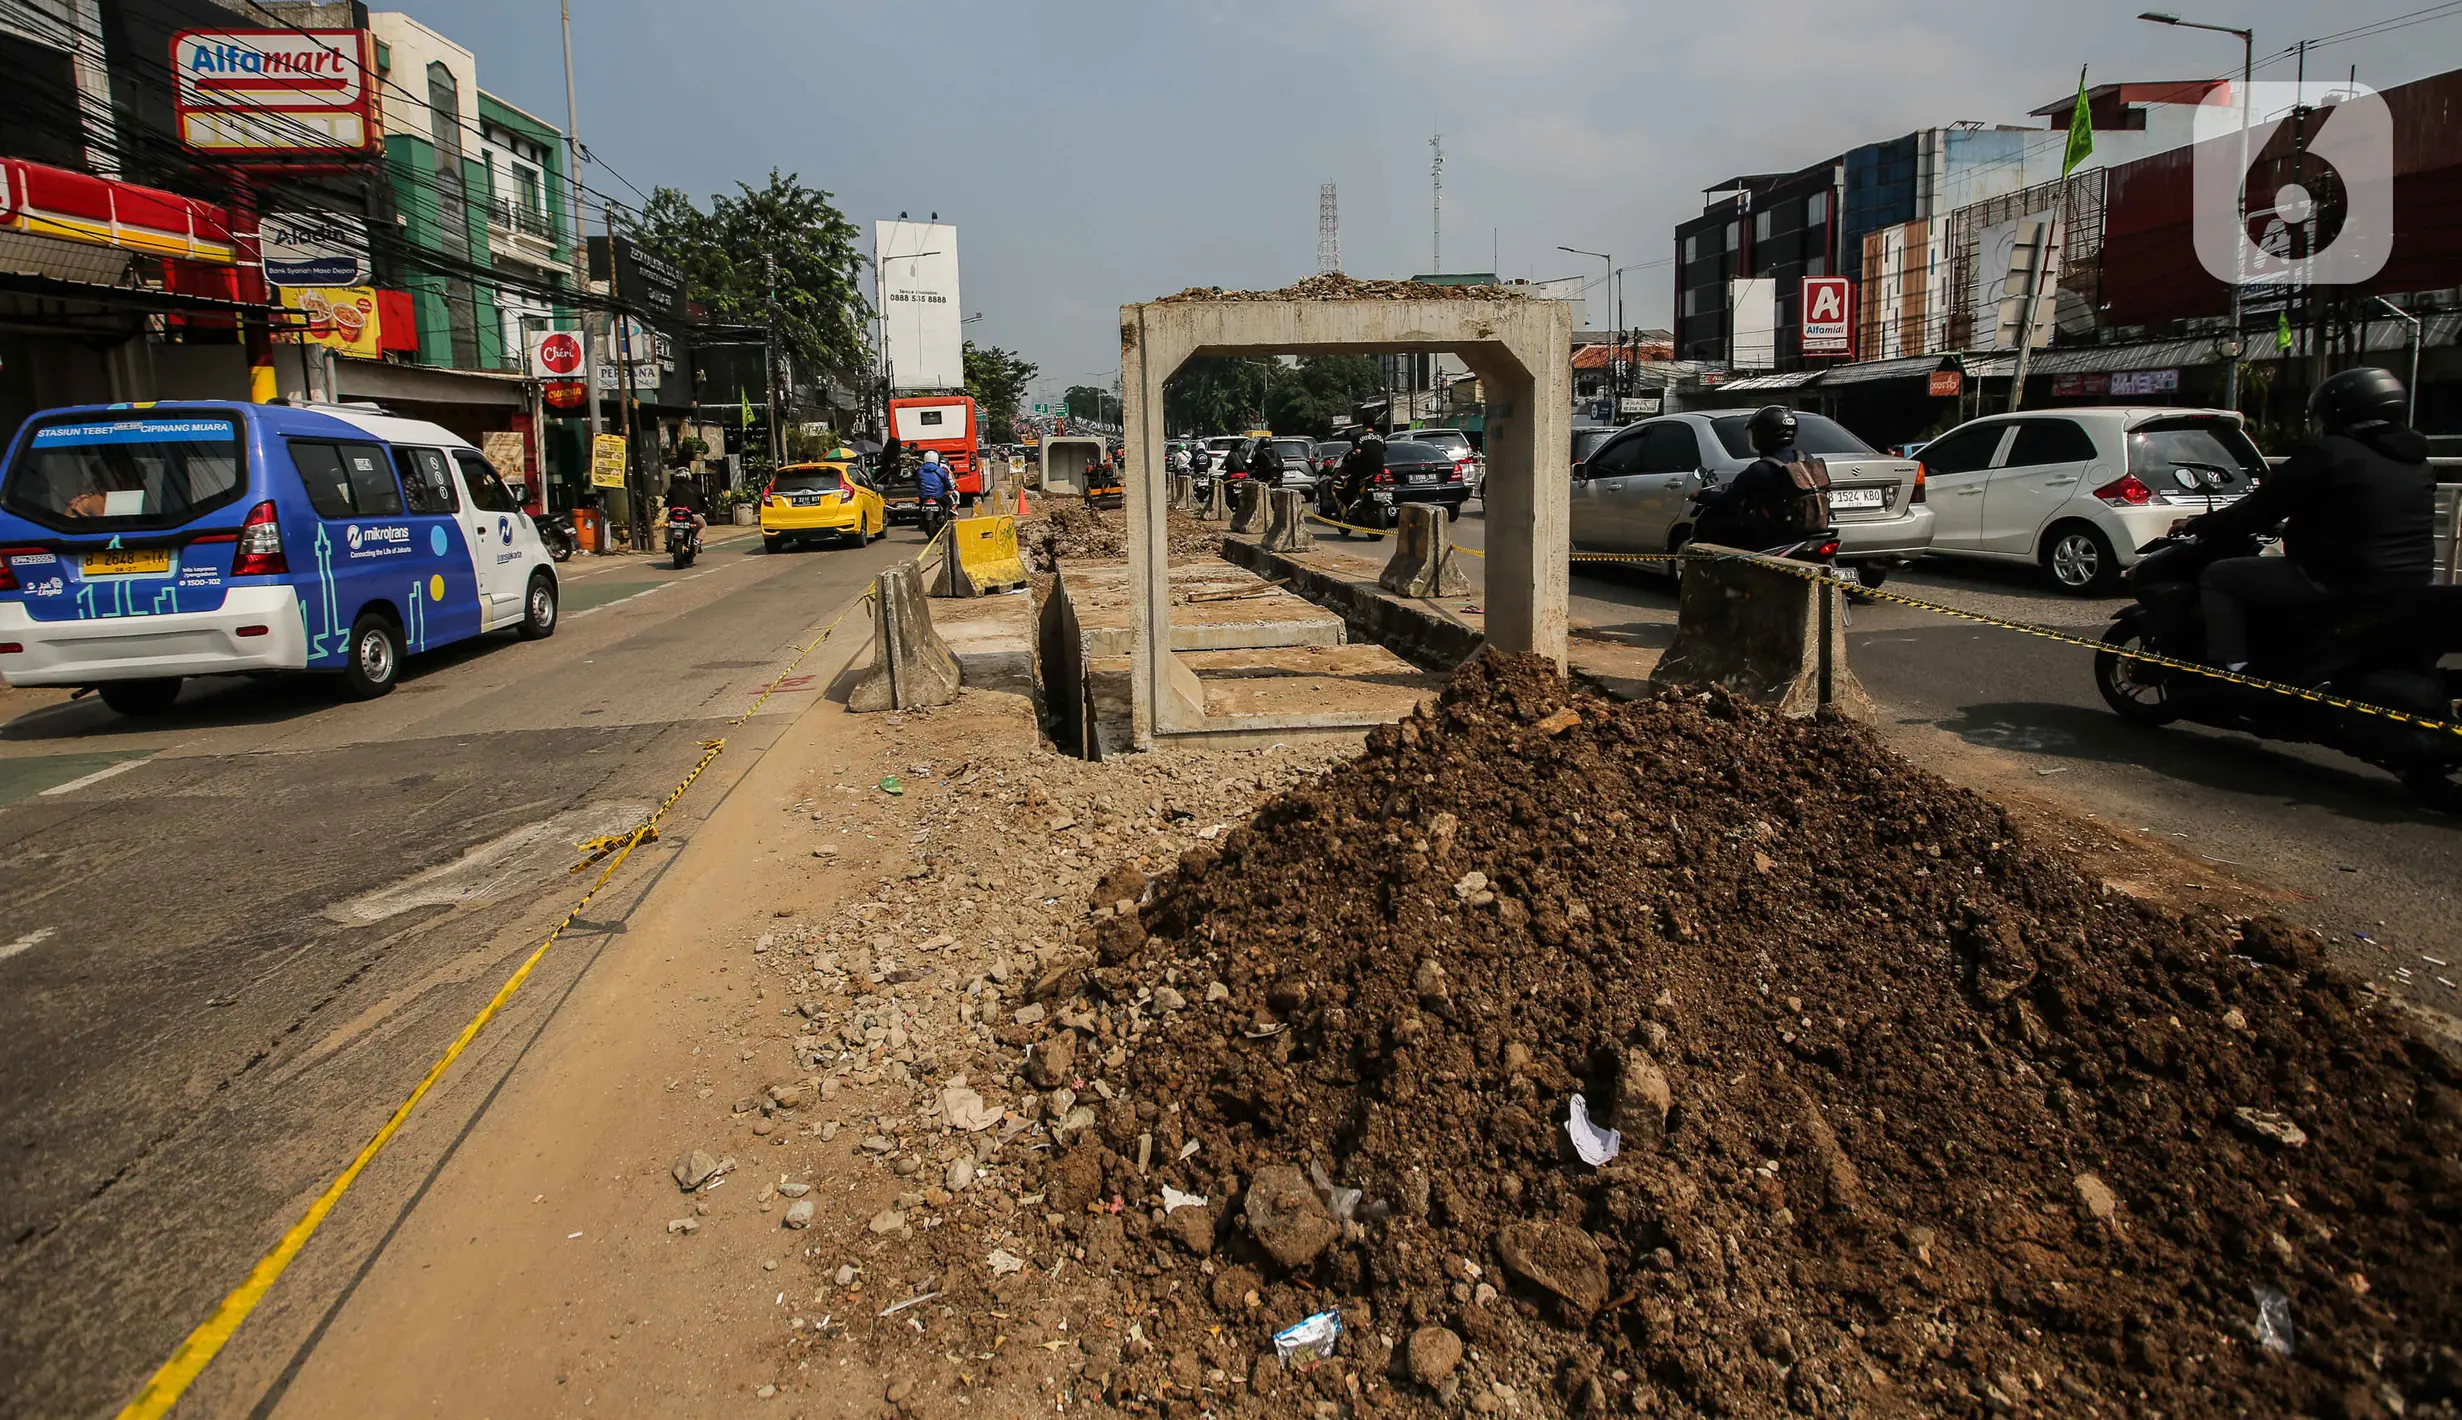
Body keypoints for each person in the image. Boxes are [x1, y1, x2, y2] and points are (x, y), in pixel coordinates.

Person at [2177, 366, 2435, 671]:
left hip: (2337, 580)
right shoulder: (2418, 462)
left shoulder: (2330, 452)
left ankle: (2234, 669)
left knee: (2218, 576)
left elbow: (2257, 510)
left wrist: (2198, 525)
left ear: (2339, 412)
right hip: (2412, 582)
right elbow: (2360, 514)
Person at [1693, 405, 1817, 552]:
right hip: (1808, 530)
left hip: (1772, 537)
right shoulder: (1806, 459)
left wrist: (1702, 495)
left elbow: (1729, 497)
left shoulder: (1760, 469)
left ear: (1763, 434)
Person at [1335, 428, 1384, 514]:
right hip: (1378, 472)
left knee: (1348, 489)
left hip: (1364, 475)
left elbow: (1343, 467)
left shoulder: (1356, 447)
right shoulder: (1380, 437)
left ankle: (1351, 508)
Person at [665, 473, 707, 552]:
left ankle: (668, 542)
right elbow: (703, 501)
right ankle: (697, 541)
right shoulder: (696, 488)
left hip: (674, 516)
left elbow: (666, 502)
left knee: (667, 525)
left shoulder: (672, 488)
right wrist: (705, 507)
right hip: (692, 515)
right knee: (703, 526)